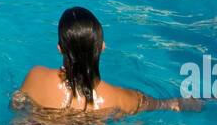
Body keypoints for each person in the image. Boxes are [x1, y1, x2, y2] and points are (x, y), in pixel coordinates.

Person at [16, 7, 203, 115]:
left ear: (60, 48)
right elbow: (168, 104)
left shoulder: (36, 76)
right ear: (102, 46)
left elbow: (15, 107)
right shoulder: (119, 98)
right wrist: (205, 101)